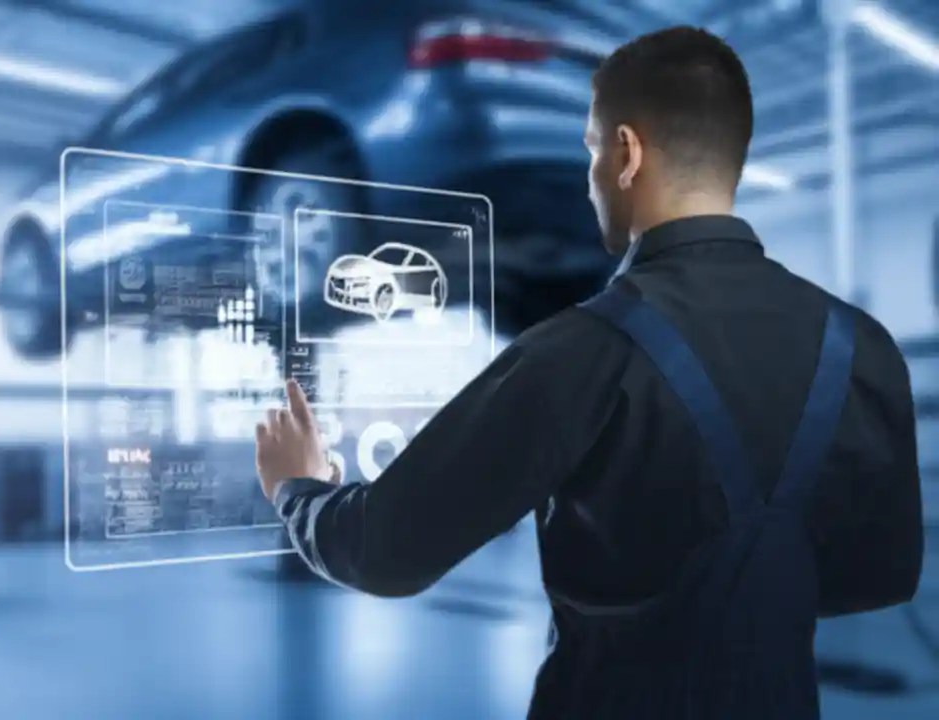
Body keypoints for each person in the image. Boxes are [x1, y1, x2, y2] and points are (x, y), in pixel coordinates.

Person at [254, 26, 923, 719]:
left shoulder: (580, 350)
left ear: (627, 154)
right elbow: (881, 575)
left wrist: (296, 489)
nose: (590, 177)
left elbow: (383, 551)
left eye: (591, 150)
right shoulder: (864, 347)